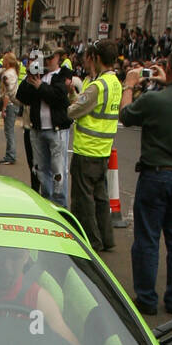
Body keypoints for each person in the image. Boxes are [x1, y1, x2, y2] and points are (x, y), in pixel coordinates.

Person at [119, 47, 172, 315]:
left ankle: (146, 298)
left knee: (148, 238)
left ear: (167, 67)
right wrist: (170, 79)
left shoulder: (154, 100)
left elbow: (126, 115)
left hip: (156, 174)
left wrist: (130, 85)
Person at [67, 39, 121, 251]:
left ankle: (92, 242)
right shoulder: (115, 83)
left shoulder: (98, 86)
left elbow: (74, 111)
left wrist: (71, 100)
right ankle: (106, 238)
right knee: (100, 198)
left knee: (83, 201)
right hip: (103, 149)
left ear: (97, 58)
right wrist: (75, 96)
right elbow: (84, 102)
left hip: (86, 149)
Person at [17, 51, 70, 204]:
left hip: (56, 130)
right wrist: (28, 79)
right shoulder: (38, 75)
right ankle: (47, 202)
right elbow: (22, 97)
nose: (47, 61)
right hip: (38, 130)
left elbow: (59, 98)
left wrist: (40, 87)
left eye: (50, 57)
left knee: (58, 172)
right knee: (41, 170)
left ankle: (60, 204)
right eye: (44, 58)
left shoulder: (62, 76)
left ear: (58, 58)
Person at [0, 53, 20, 165]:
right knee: (9, 131)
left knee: (9, 131)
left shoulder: (8, 74)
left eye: (4, 59)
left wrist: (4, 108)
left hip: (10, 105)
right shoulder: (11, 72)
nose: (2, 61)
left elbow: (8, 92)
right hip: (12, 105)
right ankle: (9, 155)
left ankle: (11, 155)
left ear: (8, 61)